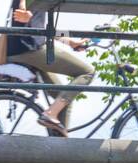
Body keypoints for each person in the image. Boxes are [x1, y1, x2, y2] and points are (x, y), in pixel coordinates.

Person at [6, 0, 95, 137]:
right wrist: (23, 10)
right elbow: (24, 9)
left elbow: (46, 31)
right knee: (87, 72)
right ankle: (50, 114)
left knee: (64, 96)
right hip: (30, 49)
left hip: (24, 49)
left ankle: (59, 149)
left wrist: (70, 41)